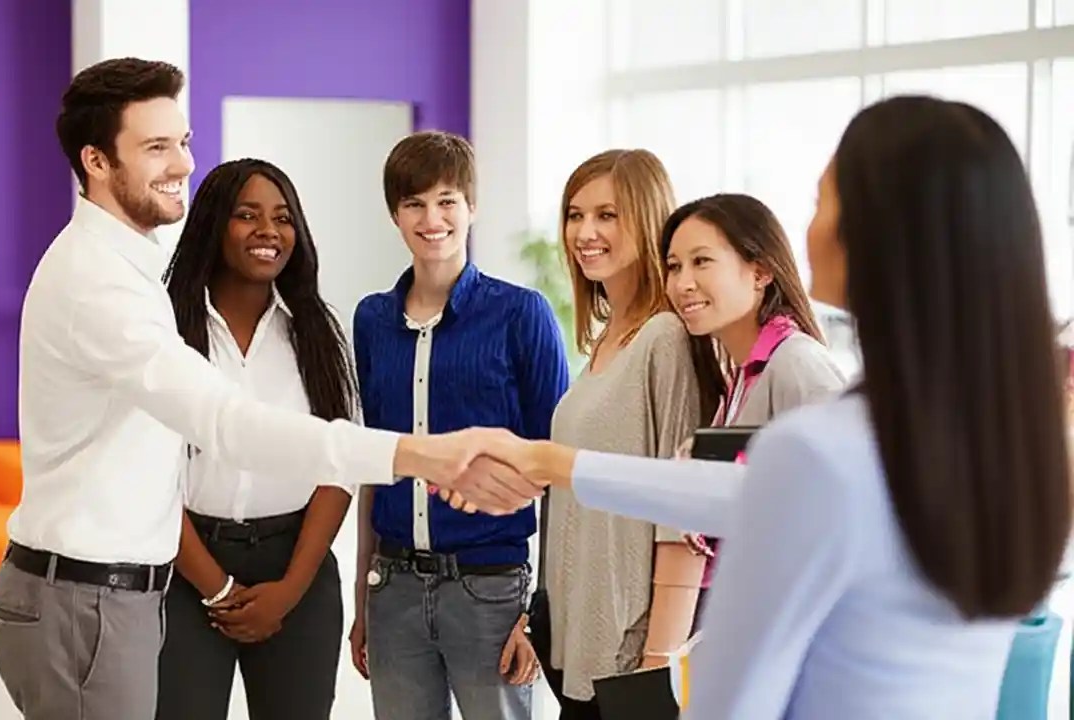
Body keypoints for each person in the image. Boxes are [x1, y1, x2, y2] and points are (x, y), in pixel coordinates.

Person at [455, 96, 1074, 718]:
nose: (807, 227)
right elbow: (731, 495)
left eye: (822, 200)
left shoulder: (817, 443)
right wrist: (548, 462)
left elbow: (731, 698)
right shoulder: (997, 444)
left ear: (875, 230)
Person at [0, 57, 518, 720]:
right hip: (91, 596)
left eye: (182, 142)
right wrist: (419, 455)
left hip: (114, 594)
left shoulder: (132, 272)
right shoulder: (102, 283)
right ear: (96, 161)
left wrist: (292, 583)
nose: (182, 163)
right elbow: (224, 423)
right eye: (156, 147)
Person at [350, 130, 570, 720]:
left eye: (447, 201)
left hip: (490, 591)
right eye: (414, 204)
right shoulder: (372, 320)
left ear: (471, 207)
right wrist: (360, 596)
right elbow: (375, 459)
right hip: (391, 586)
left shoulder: (522, 315)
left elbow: (558, 471)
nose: (432, 219)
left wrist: (539, 609)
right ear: (395, 213)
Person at [154, 159, 356, 718]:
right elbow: (146, 474)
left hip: (298, 563)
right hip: (184, 570)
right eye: (248, 215)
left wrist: (292, 587)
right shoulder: (164, 330)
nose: (269, 230)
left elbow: (338, 466)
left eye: (283, 217)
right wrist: (216, 587)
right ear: (215, 226)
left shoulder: (316, 331)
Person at [534, 149, 701, 719]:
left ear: (649, 217)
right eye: (575, 215)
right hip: (579, 647)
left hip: (631, 659)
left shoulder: (665, 338)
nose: (586, 232)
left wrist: (659, 660)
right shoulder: (607, 340)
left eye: (608, 214)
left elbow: (683, 514)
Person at [660, 193, 846, 602]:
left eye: (701, 261)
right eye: (674, 267)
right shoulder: (739, 380)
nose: (682, 283)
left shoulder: (796, 364)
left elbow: (845, 509)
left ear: (760, 271)